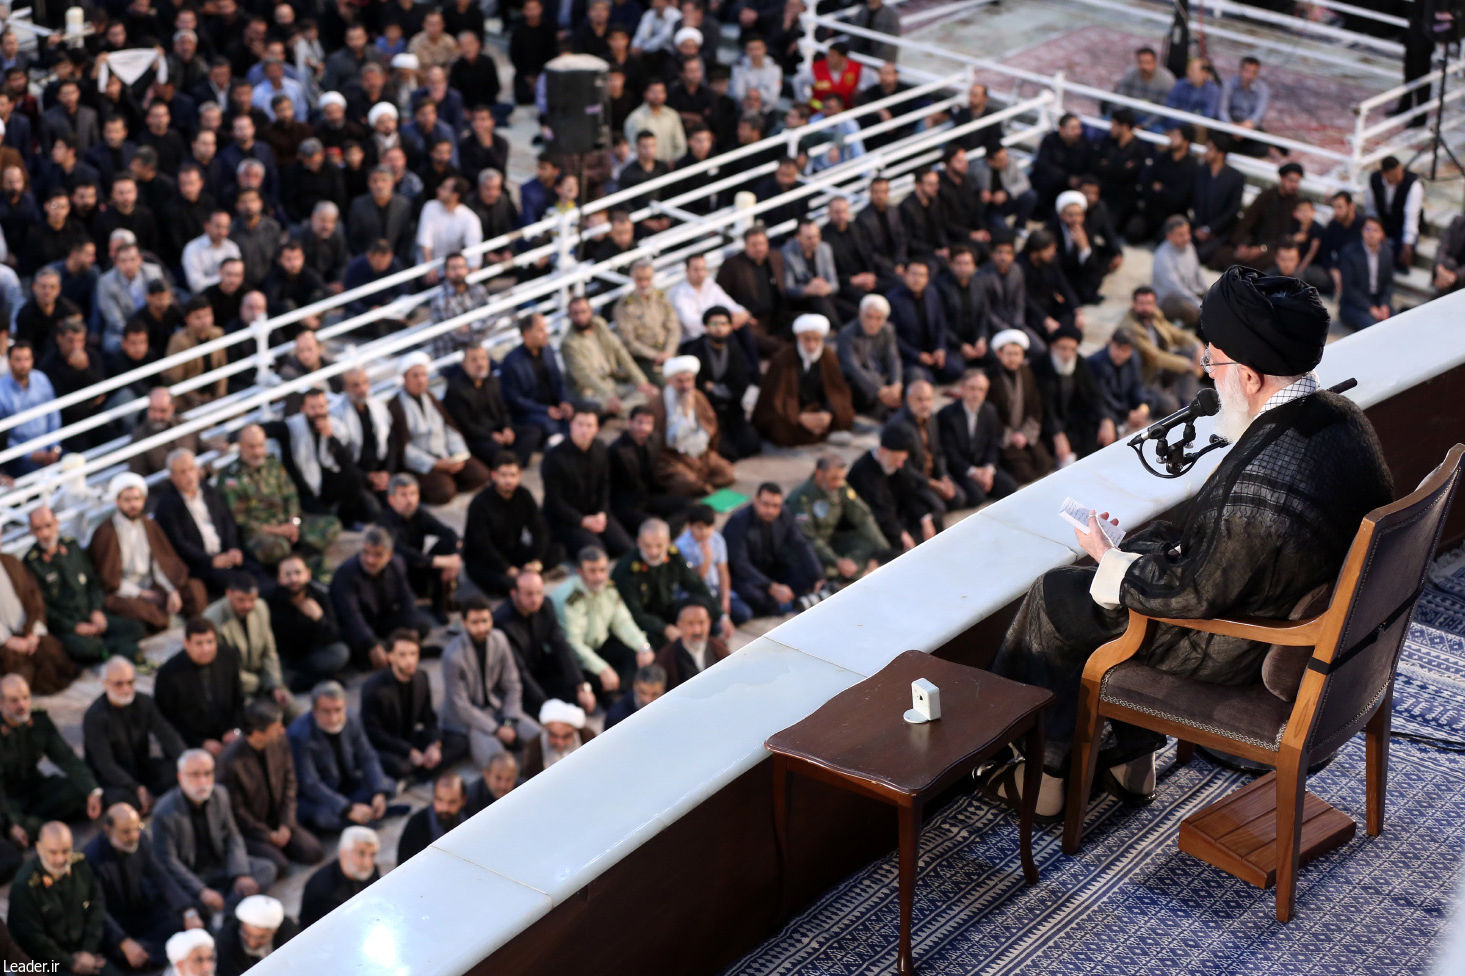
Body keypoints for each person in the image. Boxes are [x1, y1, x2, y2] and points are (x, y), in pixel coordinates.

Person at [988, 267, 1394, 819]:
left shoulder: (1260, 488)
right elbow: (1224, 552)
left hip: (1243, 646)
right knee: (1151, 539)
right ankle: (1128, 762)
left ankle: (1046, 776)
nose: (1207, 369)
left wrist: (1110, 561)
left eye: (1215, 359)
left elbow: (1192, 595)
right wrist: (1135, 552)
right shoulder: (1342, 420)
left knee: (1057, 596)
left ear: (1250, 378)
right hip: (1310, 623)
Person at [152, 750, 277, 919]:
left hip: (221, 866)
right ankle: (235, 907)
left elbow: (233, 836)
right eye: (195, 775)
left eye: (207, 773)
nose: (202, 781)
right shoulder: (164, 812)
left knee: (266, 869)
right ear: (181, 777)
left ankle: (227, 912)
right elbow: (168, 861)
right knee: (182, 904)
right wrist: (202, 891)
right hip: (193, 875)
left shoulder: (220, 794)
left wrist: (240, 873)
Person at [83, 803, 197, 971]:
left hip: (142, 911)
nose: (134, 836)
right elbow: (97, 909)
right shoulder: (91, 857)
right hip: (117, 925)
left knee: (183, 922)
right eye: (126, 832)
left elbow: (160, 876)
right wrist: (123, 942)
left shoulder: (141, 839)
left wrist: (188, 910)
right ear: (108, 830)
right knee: (124, 956)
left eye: (137, 829)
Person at [87, 474, 205, 635]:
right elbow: (108, 579)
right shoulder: (106, 532)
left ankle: (198, 629)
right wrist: (141, 593)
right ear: (117, 502)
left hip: (153, 584)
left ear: (143, 500)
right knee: (137, 608)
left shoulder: (149, 525)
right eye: (127, 500)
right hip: (125, 591)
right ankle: (167, 624)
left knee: (195, 589)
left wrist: (171, 590)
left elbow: (161, 562)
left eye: (136, 499)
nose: (133, 505)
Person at [25, 507, 144, 667]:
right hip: (67, 627)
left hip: (90, 615)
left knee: (136, 628)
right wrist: (75, 627)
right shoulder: (31, 563)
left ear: (56, 523)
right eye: (38, 529)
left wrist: (96, 611)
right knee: (84, 649)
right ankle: (122, 649)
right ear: (31, 531)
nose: (45, 534)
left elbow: (93, 582)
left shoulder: (72, 547)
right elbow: (43, 608)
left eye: (48, 526)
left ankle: (108, 649)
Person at [216, 701, 323, 877]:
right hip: (253, 830)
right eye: (276, 727)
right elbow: (237, 810)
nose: (282, 730)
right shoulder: (229, 761)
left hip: (280, 819)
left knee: (313, 852)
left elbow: (290, 782)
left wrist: (286, 824)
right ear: (258, 734)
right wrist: (267, 835)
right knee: (280, 867)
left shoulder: (280, 741)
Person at [218, 425, 341, 572]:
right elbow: (240, 520)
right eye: (251, 447)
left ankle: (300, 561)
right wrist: (277, 530)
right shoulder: (231, 478)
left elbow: (291, 495)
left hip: (287, 524)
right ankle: (301, 567)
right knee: (278, 548)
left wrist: (292, 523)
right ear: (240, 446)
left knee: (331, 525)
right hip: (260, 533)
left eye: (260, 446)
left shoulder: (273, 465)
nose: (257, 452)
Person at [7, 822, 120, 976]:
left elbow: (96, 906)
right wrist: (70, 962)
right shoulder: (25, 886)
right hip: (48, 963)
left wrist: (88, 950)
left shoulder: (79, 865)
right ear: (39, 849)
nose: (60, 859)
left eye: (65, 851)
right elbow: (33, 939)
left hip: (85, 952)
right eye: (53, 852)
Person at [441, 596, 539, 768]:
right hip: (473, 721)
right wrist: (496, 729)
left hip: (500, 709)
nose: (481, 627)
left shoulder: (499, 640)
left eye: (485, 621)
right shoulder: (452, 656)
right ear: (464, 623)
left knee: (541, 740)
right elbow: (461, 706)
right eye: (475, 622)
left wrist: (508, 722)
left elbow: (512, 683)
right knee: (498, 765)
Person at [0, 674, 100, 840]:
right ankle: (28, 827)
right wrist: (13, 822)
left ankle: (36, 826)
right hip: (7, 799)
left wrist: (92, 790)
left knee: (79, 790)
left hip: (34, 788)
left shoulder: (39, 720)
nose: (22, 705)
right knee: (9, 826)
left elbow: (65, 757)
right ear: (1, 703)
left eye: (25, 698)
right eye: (14, 701)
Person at [288, 683, 397, 834]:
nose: (333, 719)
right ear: (314, 711)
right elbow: (310, 784)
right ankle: (359, 816)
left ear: (345, 707)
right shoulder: (299, 735)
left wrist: (379, 792)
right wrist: (347, 808)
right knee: (324, 818)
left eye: (338, 710)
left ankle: (361, 815)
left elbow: (367, 756)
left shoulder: (352, 719)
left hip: (347, 785)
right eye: (326, 712)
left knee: (386, 784)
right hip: (320, 796)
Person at [82, 658, 184, 813]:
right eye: (119, 684)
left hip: (140, 767)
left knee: (179, 771)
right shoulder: (95, 716)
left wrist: (187, 762)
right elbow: (105, 765)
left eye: (130, 683)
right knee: (128, 802)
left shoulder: (144, 702)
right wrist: (137, 788)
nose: (126, 689)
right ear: (105, 683)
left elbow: (166, 734)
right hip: (112, 780)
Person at [494, 571, 598, 718]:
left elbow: (561, 646)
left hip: (539, 668)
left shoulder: (545, 605)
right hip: (518, 681)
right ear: (514, 594)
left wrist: (581, 687)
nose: (535, 599)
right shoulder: (501, 621)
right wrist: (546, 704)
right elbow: (519, 670)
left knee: (578, 687)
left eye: (539, 593)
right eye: (529, 594)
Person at [553, 547, 653, 699]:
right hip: (573, 657)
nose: (599, 577)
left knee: (633, 656)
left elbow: (622, 622)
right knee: (597, 678)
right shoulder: (570, 598)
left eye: (602, 570)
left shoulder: (608, 588)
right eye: (592, 571)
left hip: (599, 645)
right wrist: (602, 669)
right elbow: (574, 644)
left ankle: (625, 695)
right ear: (580, 572)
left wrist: (643, 646)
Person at [330, 525, 434, 671]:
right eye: (366, 553)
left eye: (377, 555)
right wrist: (372, 643)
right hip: (357, 629)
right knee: (357, 649)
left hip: (381, 621)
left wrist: (411, 631)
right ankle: (395, 653)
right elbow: (352, 616)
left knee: (420, 625)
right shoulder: (346, 573)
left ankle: (395, 652)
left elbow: (406, 599)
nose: (370, 560)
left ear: (389, 555)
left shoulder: (396, 564)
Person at [153, 450, 252, 600]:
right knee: (240, 586)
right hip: (200, 567)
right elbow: (179, 544)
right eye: (182, 472)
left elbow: (227, 521)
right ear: (172, 477)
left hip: (227, 556)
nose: (189, 476)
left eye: (191, 469)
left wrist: (233, 548)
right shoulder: (166, 505)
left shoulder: (208, 490)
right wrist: (211, 561)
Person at [613, 517, 729, 645]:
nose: (653, 552)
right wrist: (664, 628)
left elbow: (695, 585)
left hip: (667, 610)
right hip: (643, 622)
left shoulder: (673, 556)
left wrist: (721, 616)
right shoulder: (626, 569)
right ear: (639, 542)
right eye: (648, 546)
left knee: (703, 611)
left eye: (659, 546)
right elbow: (634, 613)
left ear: (668, 542)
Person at [360, 630, 459, 781]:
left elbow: (429, 718)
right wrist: (409, 752)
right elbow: (374, 734)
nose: (410, 660)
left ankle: (419, 770)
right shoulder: (373, 688)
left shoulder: (421, 677)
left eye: (414, 654)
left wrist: (434, 745)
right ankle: (421, 771)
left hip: (410, 738)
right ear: (390, 657)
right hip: (387, 746)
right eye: (403, 655)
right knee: (401, 767)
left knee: (459, 742)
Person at [542, 407, 634, 557]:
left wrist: (602, 513)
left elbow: (605, 486)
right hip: (567, 520)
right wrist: (582, 521)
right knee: (596, 554)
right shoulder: (554, 456)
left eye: (589, 425)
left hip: (595, 514)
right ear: (571, 425)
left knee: (626, 548)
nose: (584, 430)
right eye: (580, 424)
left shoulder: (601, 449)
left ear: (596, 428)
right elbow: (554, 500)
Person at [786, 455, 893, 584]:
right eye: (834, 479)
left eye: (841, 479)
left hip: (831, 542)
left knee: (868, 542)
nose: (838, 484)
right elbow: (809, 539)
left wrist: (885, 551)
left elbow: (863, 517)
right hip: (808, 551)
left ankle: (852, 570)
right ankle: (844, 573)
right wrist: (837, 561)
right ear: (819, 474)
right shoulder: (800, 499)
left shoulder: (841, 487)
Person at [463, 453, 558, 597]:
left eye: (513, 475)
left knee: (557, 551)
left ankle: (527, 576)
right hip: (485, 560)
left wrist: (536, 561)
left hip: (513, 551)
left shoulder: (524, 495)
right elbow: (481, 545)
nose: (508, 480)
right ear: (494, 475)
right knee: (502, 583)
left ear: (519, 476)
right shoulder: (480, 503)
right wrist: (507, 569)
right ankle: (526, 580)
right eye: (504, 475)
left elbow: (539, 529)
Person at [753, 313, 855, 446]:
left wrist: (827, 414)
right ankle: (819, 433)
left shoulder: (828, 356)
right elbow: (774, 400)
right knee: (780, 430)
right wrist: (799, 418)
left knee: (844, 415)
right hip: (792, 413)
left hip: (818, 410)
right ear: (798, 337)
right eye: (807, 339)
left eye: (816, 339)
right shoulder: (782, 359)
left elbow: (836, 390)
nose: (812, 345)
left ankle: (821, 429)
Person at [153, 618, 246, 758]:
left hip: (227, 735)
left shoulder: (228, 658)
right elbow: (165, 722)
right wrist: (200, 742)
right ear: (187, 644)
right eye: (199, 643)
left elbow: (238, 699)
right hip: (191, 743)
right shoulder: (168, 674)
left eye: (210, 642)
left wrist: (235, 729)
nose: (206, 649)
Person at [378, 474, 461, 623]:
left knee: (446, 545)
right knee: (402, 561)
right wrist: (439, 561)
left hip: (418, 570)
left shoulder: (418, 514)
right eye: (403, 495)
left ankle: (440, 604)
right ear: (391, 499)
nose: (410, 500)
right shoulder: (386, 522)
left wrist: (454, 559)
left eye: (413, 494)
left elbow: (448, 533)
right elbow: (402, 553)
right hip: (398, 577)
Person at [681, 306, 761, 460]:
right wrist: (716, 389)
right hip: (708, 409)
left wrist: (715, 387)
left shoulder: (735, 348)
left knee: (750, 444)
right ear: (706, 327)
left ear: (730, 327)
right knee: (724, 451)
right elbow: (698, 385)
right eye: (714, 324)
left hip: (732, 407)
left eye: (724, 324)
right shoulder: (695, 350)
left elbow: (741, 381)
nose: (719, 329)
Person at [846, 425, 941, 552]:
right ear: (884, 451)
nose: (900, 465)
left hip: (896, 515)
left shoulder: (897, 461)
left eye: (902, 460)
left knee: (933, 520)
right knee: (897, 546)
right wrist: (900, 532)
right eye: (897, 460)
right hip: (879, 522)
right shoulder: (863, 472)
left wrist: (924, 519)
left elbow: (909, 491)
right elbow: (878, 511)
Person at [651, 356, 736, 496]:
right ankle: (698, 484)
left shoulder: (698, 397)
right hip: (673, 458)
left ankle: (699, 482)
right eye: (680, 381)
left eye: (689, 380)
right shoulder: (658, 404)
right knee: (686, 484)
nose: (685, 386)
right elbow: (665, 441)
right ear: (669, 381)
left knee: (727, 473)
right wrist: (684, 416)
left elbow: (711, 424)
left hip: (700, 455)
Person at [203, 574, 290, 710]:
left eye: (252, 599)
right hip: (236, 688)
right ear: (228, 594)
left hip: (263, 679)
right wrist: (261, 685)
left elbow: (269, 651)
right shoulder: (213, 620)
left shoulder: (261, 607)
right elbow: (223, 669)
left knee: (292, 708)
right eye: (241, 600)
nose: (247, 605)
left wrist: (274, 685)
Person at [444, 344, 539, 467]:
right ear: (464, 364)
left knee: (532, 432)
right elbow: (466, 426)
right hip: (479, 438)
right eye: (474, 360)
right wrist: (491, 435)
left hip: (499, 432)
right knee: (492, 449)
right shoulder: (455, 389)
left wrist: (507, 428)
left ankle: (511, 465)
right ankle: (510, 465)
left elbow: (504, 410)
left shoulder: (492, 381)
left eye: (483, 358)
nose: (480, 364)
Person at [1032, 322, 1113, 465]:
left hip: (1074, 423)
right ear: (1053, 347)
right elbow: (1043, 406)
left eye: (1072, 350)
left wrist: (1106, 418)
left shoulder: (1079, 363)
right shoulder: (1039, 366)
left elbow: (1093, 394)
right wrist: (1057, 433)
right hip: (1049, 425)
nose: (1067, 355)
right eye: (1063, 348)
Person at [561, 295, 656, 418]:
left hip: (613, 382)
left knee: (650, 393)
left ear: (590, 311)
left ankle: (622, 409)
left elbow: (620, 352)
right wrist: (608, 395)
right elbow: (584, 376)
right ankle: (625, 411)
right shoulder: (568, 343)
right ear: (570, 316)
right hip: (590, 391)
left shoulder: (599, 326)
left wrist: (641, 381)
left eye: (583, 312)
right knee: (601, 406)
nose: (580, 317)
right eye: (575, 313)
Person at [267, 556, 351, 691]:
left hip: (313, 657)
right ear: (279, 579)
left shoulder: (319, 595)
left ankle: (310, 679)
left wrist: (319, 618)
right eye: (287, 575)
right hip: (286, 659)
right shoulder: (271, 600)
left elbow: (334, 635)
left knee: (341, 652)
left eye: (298, 573)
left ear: (307, 574)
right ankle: (320, 678)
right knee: (279, 678)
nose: (293, 579)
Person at [937, 370, 1018, 508]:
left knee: (1010, 487)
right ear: (962, 389)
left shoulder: (989, 411)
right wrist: (974, 472)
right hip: (961, 469)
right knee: (976, 497)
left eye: (981, 390)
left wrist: (988, 470)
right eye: (972, 388)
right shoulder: (947, 414)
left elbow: (993, 444)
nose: (976, 394)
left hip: (982, 465)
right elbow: (950, 453)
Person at [986, 329, 1055, 484]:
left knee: (1045, 464)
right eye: (1009, 354)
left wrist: (1024, 434)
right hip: (1003, 435)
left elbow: (1035, 405)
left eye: (1017, 354)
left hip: (1025, 432)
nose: (1013, 359)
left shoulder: (1026, 372)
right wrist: (1011, 435)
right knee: (1024, 474)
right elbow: (990, 414)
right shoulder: (991, 377)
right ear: (999, 354)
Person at [1121, 286, 1203, 414]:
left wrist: (1198, 345)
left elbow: (1177, 334)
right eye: (1141, 304)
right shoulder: (1131, 328)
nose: (1145, 308)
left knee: (1190, 352)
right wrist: (1189, 366)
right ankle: (1184, 402)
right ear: (1134, 305)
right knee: (1171, 406)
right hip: (1147, 378)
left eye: (1149, 303)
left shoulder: (1154, 317)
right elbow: (1155, 357)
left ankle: (1190, 403)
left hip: (1162, 371)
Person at [887, 380, 964, 513]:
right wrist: (933, 484)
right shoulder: (897, 427)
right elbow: (904, 469)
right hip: (913, 483)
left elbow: (938, 452)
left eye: (928, 400)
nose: (925, 405)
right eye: (920, 400)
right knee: (939, 508)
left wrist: (944, 477)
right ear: (909, 400)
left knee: (959, 498)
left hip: (932, 475)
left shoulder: (931, 418)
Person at [499, 313, 573, 443]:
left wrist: (564, 401)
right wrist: (546, 410)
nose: (546, 333)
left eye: (545, 328)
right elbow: (515, 400)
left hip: (554, 406)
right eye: (540, 330)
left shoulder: (547, 350)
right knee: (550, 425)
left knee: (584, 411)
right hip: (530, 413)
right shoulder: (511, 361)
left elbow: (558, 380)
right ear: (526, 334)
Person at [886, 259, 959, 384]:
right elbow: (892, 336)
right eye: (913, 274)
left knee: (955, 369)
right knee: (920, 378)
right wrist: (917, 355)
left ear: (927, 278)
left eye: (922, 275)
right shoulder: (893, 299)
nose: (917, 279)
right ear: (905, 275)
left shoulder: (933, 293)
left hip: (932, 351)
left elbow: (941, 324)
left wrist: (940, 348)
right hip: (909, 356)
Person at [332, 367, 400, 499]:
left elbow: (391, 440)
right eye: (356, 385)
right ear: (346, 388)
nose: (362, 389)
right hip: (356, 476)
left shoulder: (377, 406)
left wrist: (387, 472)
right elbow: (342, 457)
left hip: (381, 470)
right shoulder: (336, 414)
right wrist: (367, 477)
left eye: (365, 383)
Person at [0, 341, 61, 478]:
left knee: (73, 464)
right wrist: (31, 454)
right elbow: (4, 439)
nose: (23, 364)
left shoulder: (41, 379)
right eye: (18, 359)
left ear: (32, 360)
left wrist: (54, 448)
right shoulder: (1, 391)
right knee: (40, 479)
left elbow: (54, 417)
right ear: (9, 362)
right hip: (21, 457)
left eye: (27, 359)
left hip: (50, 448)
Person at [299, 826, 381, 927]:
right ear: (344, 853)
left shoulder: (370, 871)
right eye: (361, 853)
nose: (367, 863)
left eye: (372, 855)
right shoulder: (322, 890)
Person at [1050, 189, 1121, 306]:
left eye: (1079, 215)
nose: (1075, 219)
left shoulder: (1086, 228)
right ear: (1062, 215)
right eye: (1070, 215)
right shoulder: (1052, 229)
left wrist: (1084, 247)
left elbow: (1090, 262)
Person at [616, 258, 682, 382]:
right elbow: (629, 341)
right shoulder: (625, 305)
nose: (644, 284)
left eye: (647, 279)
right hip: (645, 358)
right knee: (665, 383)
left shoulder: (660, 298)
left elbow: (674, 328)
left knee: (685, 378)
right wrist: (655, 355)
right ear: (633, 278)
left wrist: (669, 352)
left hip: (668, 352)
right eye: (640, 279)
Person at [1087, 329, 1154, 436]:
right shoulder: (1095, 362)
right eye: (1118, 348)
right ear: (1110, 343)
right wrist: (1127, 414)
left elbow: (1137, 385)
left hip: (1127, 406)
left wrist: (1142, 406)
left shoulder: (1133, 358)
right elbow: (1103, 396)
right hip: (1106, 410)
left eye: (1126, 350)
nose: (1121, 354)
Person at [652, 602, 730, 689]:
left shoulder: (720, 648)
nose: (696, 631)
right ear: (679, 625)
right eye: (690, 623)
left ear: (709, 623)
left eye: (701, 622)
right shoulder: (665, 658)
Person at [1337, 217, 1396, 331]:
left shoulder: (1387, 252)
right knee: (1372, 328)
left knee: (1396, 322)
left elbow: (1389, 283)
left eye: (1375, 230)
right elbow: (1349, 289)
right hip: (1353, 304)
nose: (1371, 234)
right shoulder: (1349, 252)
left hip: (1377, 300)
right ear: (1362, 231)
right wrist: (1371, 309)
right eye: (1368, 229)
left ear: (1381, 234)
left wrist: (1384, 304)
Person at [397, 772, 469, 865]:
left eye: (452, 802)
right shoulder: (416, 826)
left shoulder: (472, 817)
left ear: (463, 800)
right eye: (439, 800)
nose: (445, 808)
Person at [215, 895, 297, 976]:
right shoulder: (225, 944)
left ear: (274, 930)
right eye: (246, 934)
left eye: (261, 937)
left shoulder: (288, 930)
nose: (252, 943)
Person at [1150, 215, 1207, 330]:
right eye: (1181, 235)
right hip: (1169, 299)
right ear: (1169, 236)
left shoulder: (1189, 246)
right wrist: (1198, 303)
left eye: (1187, 233)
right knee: (1194, 313)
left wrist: (1206, 292)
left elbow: (1197, 273)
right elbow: (1176, 288)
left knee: (1217, 298)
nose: (1186, 237)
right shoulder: (1162, 256)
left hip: (1190, 291)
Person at [1031, 113, 1093, 214]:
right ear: (1061, 129)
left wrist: (1079, 180)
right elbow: (1043, 164)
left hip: (1074, 185)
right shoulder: (1050, 140)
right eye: (1073, 128)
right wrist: (1066, 178)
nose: (1077, 132)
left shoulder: (1085, 145)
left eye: (1079, 128)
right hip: (1051, 182)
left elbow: (1088, 167)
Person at [1368, 156, 1421, 271]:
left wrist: (1407, 244)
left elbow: (1411, 216)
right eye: (1395, 175)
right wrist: (1378, 229)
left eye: (1400, 172)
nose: (1400, 177)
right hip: (1384, 222)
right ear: (1384, 174)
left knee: (1401, 256)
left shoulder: (1413, 185)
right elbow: (1371, 209)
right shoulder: (1375, 180)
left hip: (1402, 224)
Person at [521, 699, 594, 779]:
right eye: (554, 735)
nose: (559, 742)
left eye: (566, 736)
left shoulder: (587, 737)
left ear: (575, 731)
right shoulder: (533, 749)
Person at [1114, 45, 1175, 129]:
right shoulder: (1130, 74)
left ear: (1155, 62)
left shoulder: (1166, 80)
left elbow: (1164, 109)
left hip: (1153, 120)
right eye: (1140, 62)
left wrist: (1144, 125)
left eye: (1148, 63)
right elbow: (1120, 98)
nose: (1144, 67)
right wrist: (1124, 120)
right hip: (1130, 116)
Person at [603, 664, 667, 729]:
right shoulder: (616, 717)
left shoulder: (669, 708)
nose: (647, 700)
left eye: (654, 694)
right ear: (635, 686)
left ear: (663, 689)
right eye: (643, 692)